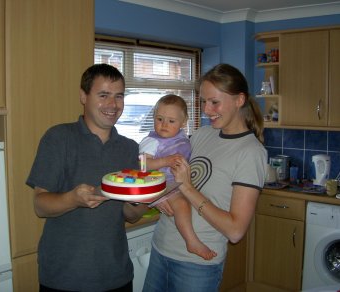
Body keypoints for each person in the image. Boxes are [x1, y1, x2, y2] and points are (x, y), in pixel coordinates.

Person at [143, 63, 267, 292]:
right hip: (161, 248)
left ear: (240, 100)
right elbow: (168, 175)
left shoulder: (251, 152)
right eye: (202, 102)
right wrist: (158, 198)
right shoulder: (201, 134)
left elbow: (235, 231)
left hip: (197, 266)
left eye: (214, 102)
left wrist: (188, 188)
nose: (207, 110)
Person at [26, 63, 149, 292]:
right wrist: (73, 199)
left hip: (116, 274)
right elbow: (40, 205)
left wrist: (144, 197)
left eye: (119, 96)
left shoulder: (130, 148)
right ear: (83, 96)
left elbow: (131, 215)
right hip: (64, 277)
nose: (113, 105)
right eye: (103, 95)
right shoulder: (58, 138)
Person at [139, 94, 216, 261]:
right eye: (159, 119)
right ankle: (192, 241)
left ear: (183, 122)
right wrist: (165, 161)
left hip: (175, 182)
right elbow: (142, 166)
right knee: (181, 204)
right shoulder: (152, 141)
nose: (164, 125)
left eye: (171, 121)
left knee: (186, 203)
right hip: (158, 183)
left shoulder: (184, 138)